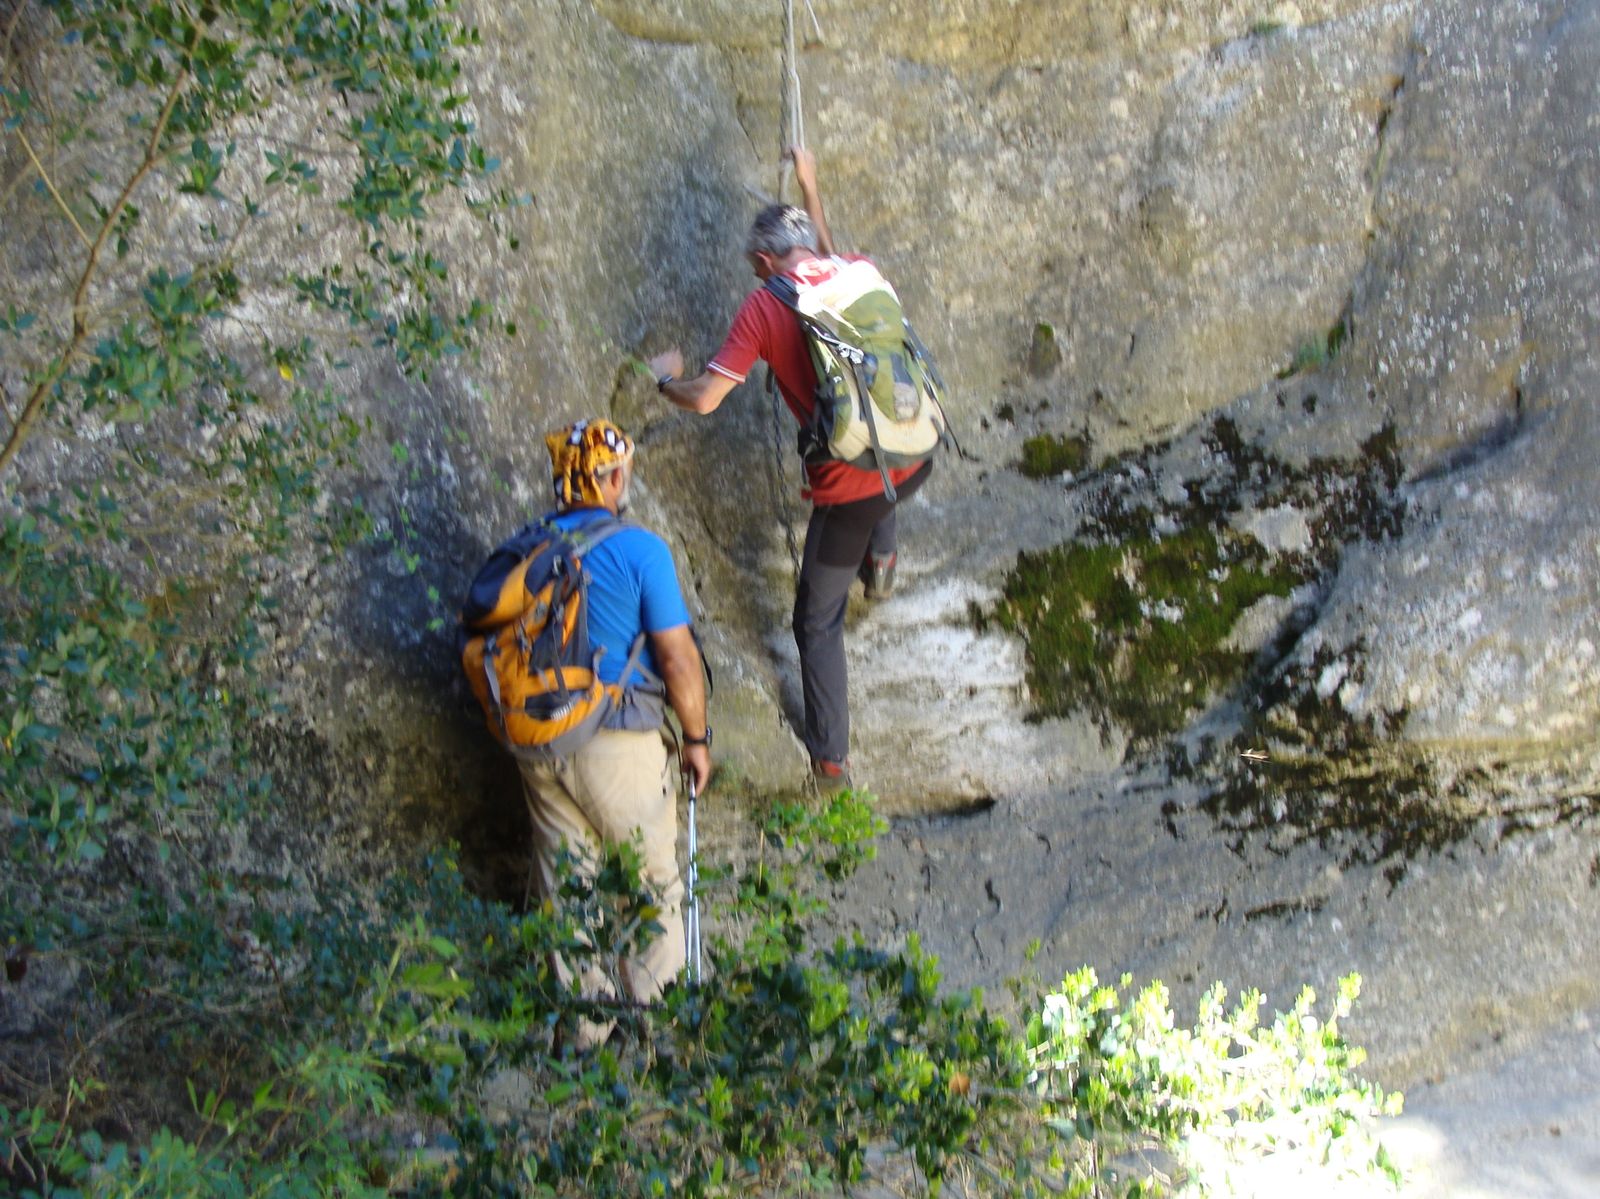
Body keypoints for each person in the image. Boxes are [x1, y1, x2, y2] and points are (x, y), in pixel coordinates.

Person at [649, 147, 931, 787]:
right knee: (880, 472)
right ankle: (882, 561)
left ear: (759, 263)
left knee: (815, 618)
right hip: (918, 450)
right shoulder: (859, 272)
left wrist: (666, 381)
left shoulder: (764, 308)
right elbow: (829, 252)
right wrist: (813, 189)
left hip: (854, 488)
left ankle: (831, 762)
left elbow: (706, 399)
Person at [515, 418, 711, 1047]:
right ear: (613, 476)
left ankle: (585, 1042)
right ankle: (652, 1039)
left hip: (539, 743)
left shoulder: (528, 549)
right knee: (654, 891)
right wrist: (697, 740)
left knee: (571, 895)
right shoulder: (638, 549)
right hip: (616, 741)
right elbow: (677, 658)